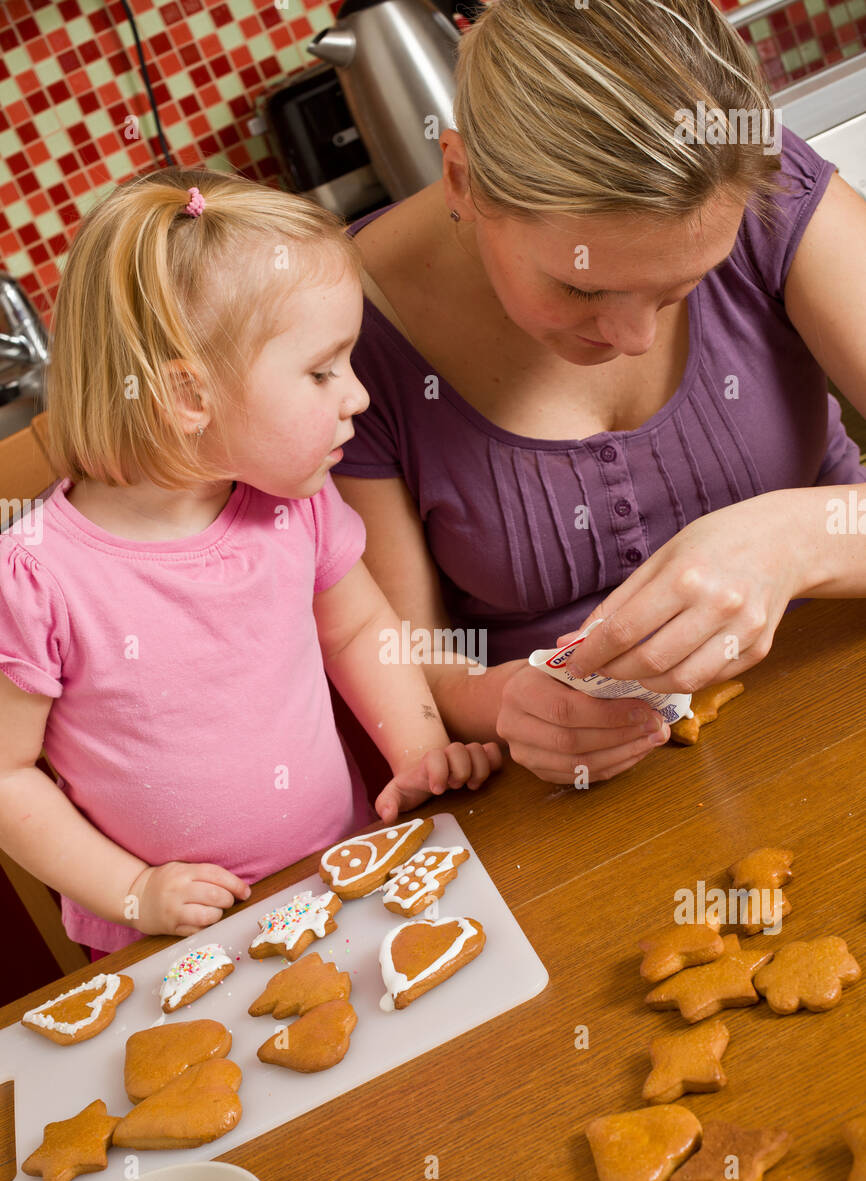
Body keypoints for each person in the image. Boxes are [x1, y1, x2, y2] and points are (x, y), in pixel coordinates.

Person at [332, 0, 866, 786]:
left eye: (683, 286)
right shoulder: (341, 330)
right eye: (582, 289)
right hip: (583, 801)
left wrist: (808, 536)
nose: (636, 339)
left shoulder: (756, 177)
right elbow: (412, 657)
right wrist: (500, 699)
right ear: (461, 178)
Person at [0, 170, 500, 957]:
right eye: (322, 371)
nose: (359, 397)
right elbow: (5, 776)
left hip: (347, 875)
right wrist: (135, 892)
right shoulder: (36, 575)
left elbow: (359, 629)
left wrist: (419, 748)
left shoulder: (292, 503)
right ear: (188, 396)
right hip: (173, 942)